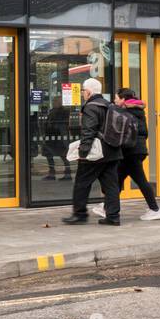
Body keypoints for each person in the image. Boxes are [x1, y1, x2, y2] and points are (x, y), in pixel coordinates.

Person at [62, 78, 122, 226]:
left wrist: (83, 152)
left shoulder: (91, 107)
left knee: (82, 183)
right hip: (112, 151)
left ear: (88, 92)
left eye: (83, 90)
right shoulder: (109, 105)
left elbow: (89, 131)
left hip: (97, 152)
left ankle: (79, 214)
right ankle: (113, 216)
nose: (82, 93)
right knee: (111, 186)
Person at [111, 87, 160, 220]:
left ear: (123, 100)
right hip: (135, 150)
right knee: (117, 179)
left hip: (131, 152)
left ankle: (155, 209)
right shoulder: (137, 111)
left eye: (116, 98)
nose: (114, 101)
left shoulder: (126, 112)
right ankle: (108, 206)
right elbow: (144, 133)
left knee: (141, 181)